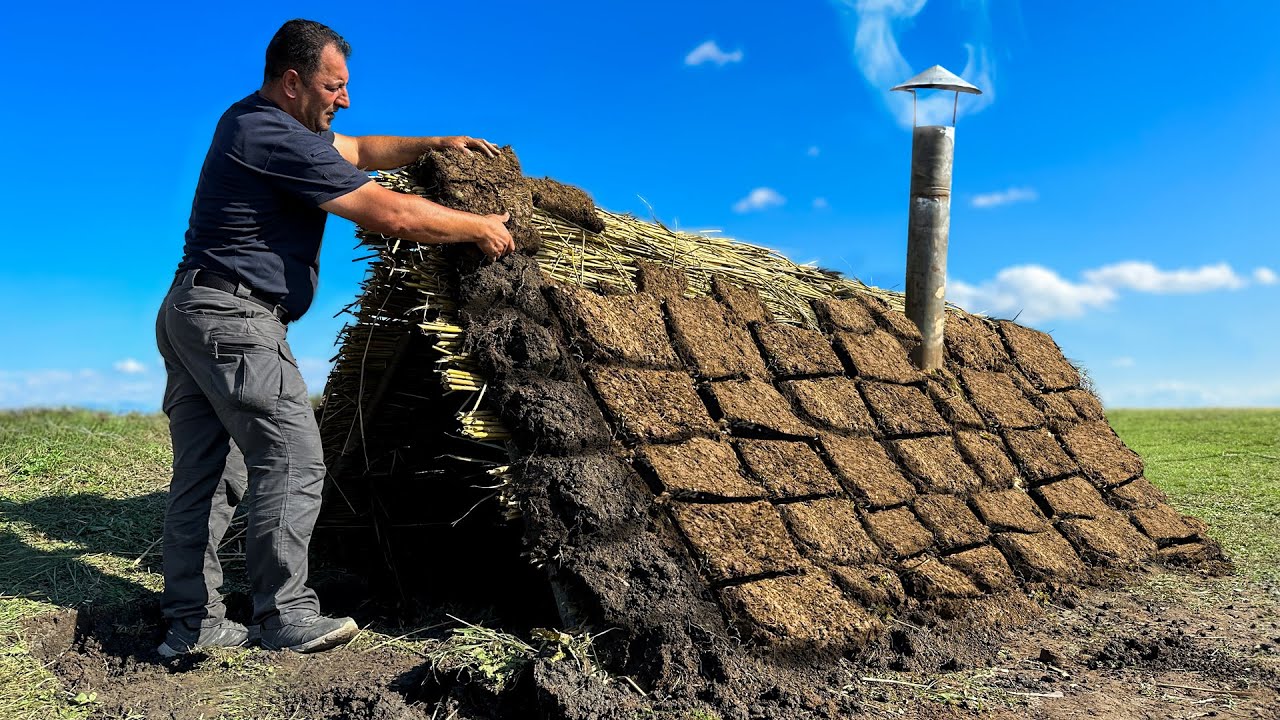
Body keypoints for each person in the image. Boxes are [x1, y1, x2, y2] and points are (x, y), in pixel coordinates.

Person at [155, 18, 514, 656]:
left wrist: (434, 143)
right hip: (233, 319)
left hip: (197, 308)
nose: (344, 98)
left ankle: (192, 624)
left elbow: (362, 148)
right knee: (293, 457)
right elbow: (386, 211)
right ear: (292, 83)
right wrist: (475, 226)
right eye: (334, 85)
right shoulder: (269, 133)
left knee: (207, 475)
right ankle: (284, 615)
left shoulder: (267, 124)